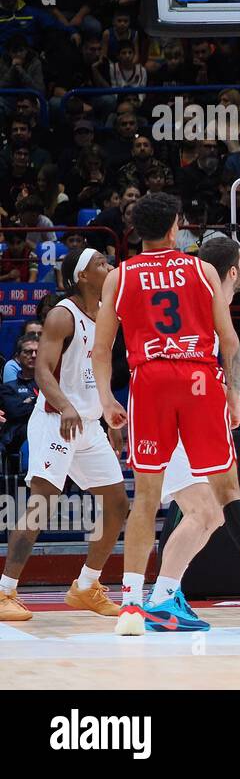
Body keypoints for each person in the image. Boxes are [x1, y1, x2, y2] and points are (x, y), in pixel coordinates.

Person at [90, 193, 240, 636]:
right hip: (200, 378)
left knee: (145, 498)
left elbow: (101, 350)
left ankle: (132, 607)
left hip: (151, 379)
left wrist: (107, 401)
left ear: (135, 230)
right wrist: (233, 396)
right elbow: (230, 342)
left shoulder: (119, 277)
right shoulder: (202, 269)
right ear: (176, 227)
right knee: (226, 489)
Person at [0, 248, 127, 622]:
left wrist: (107, 416)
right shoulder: (62, 315)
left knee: (117, 504)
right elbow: (42, 371)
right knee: (41, 503)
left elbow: (97, 372)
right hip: (57, 419)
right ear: (82, 275)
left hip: (88, 424)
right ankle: (5, 591)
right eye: (102, 264)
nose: (111, 267)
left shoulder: (106, 313)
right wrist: (66, 405)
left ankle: (86, 586)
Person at [147, 237, 240, 631]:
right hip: (178, 412)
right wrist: (229, 395)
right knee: (202, 511)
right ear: (231, 270)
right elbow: (219, 352)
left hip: (182, 407)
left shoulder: (195, 296)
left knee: (208, 513)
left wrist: (230, 397)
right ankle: (159, 599)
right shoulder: (206, 301)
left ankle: (165, 594)